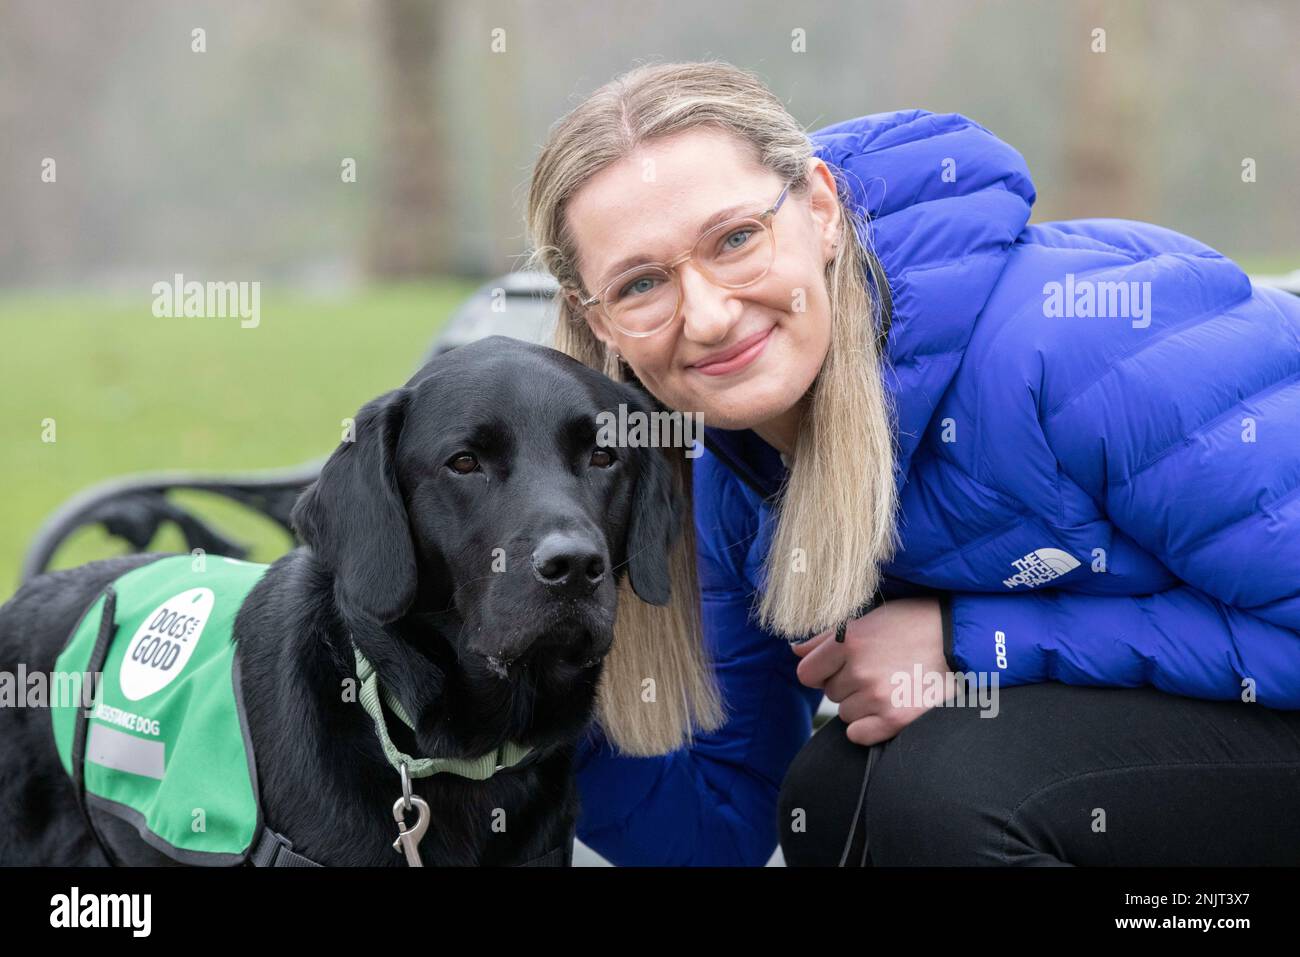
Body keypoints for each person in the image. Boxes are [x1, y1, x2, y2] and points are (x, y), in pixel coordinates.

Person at [523, 60, 1300, 865]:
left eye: (736, 239)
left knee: (948, 789)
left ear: (820, 209)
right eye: (642, 283)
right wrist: (528, 690)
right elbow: (722, 828)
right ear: (598, 320)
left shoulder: (1077, 348)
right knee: (833, 797)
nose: (710, 316)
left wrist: (970, 645)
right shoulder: (724, 467)